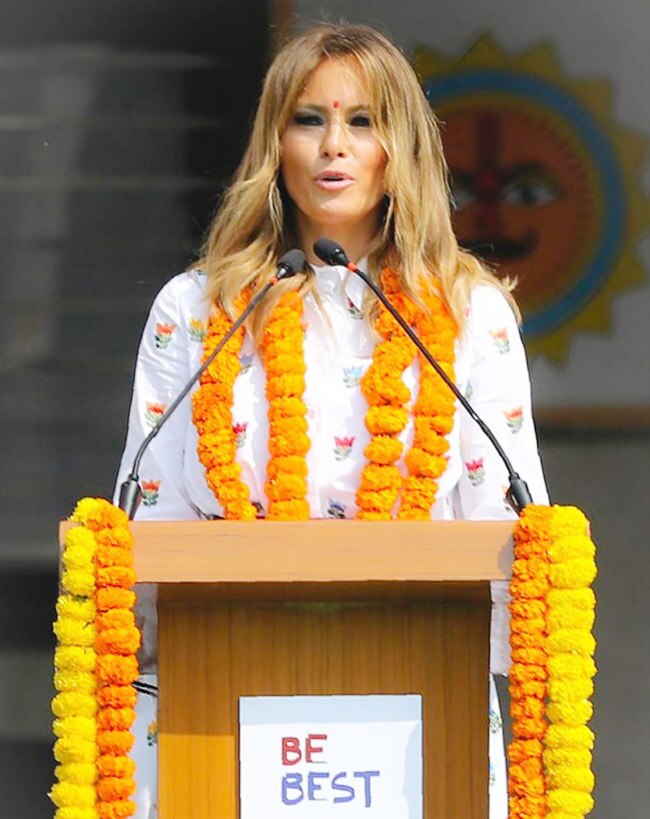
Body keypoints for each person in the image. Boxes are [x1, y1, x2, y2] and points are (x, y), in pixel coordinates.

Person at [115, 23, 548, 819]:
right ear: (275, 142)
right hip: (211, 704)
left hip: (422, 702)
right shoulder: (195, 309)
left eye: (363, 121)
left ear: (400, 148)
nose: (332, 147)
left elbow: (504, 530)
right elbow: (147, 521)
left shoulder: (467, 313)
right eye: (309, 119)